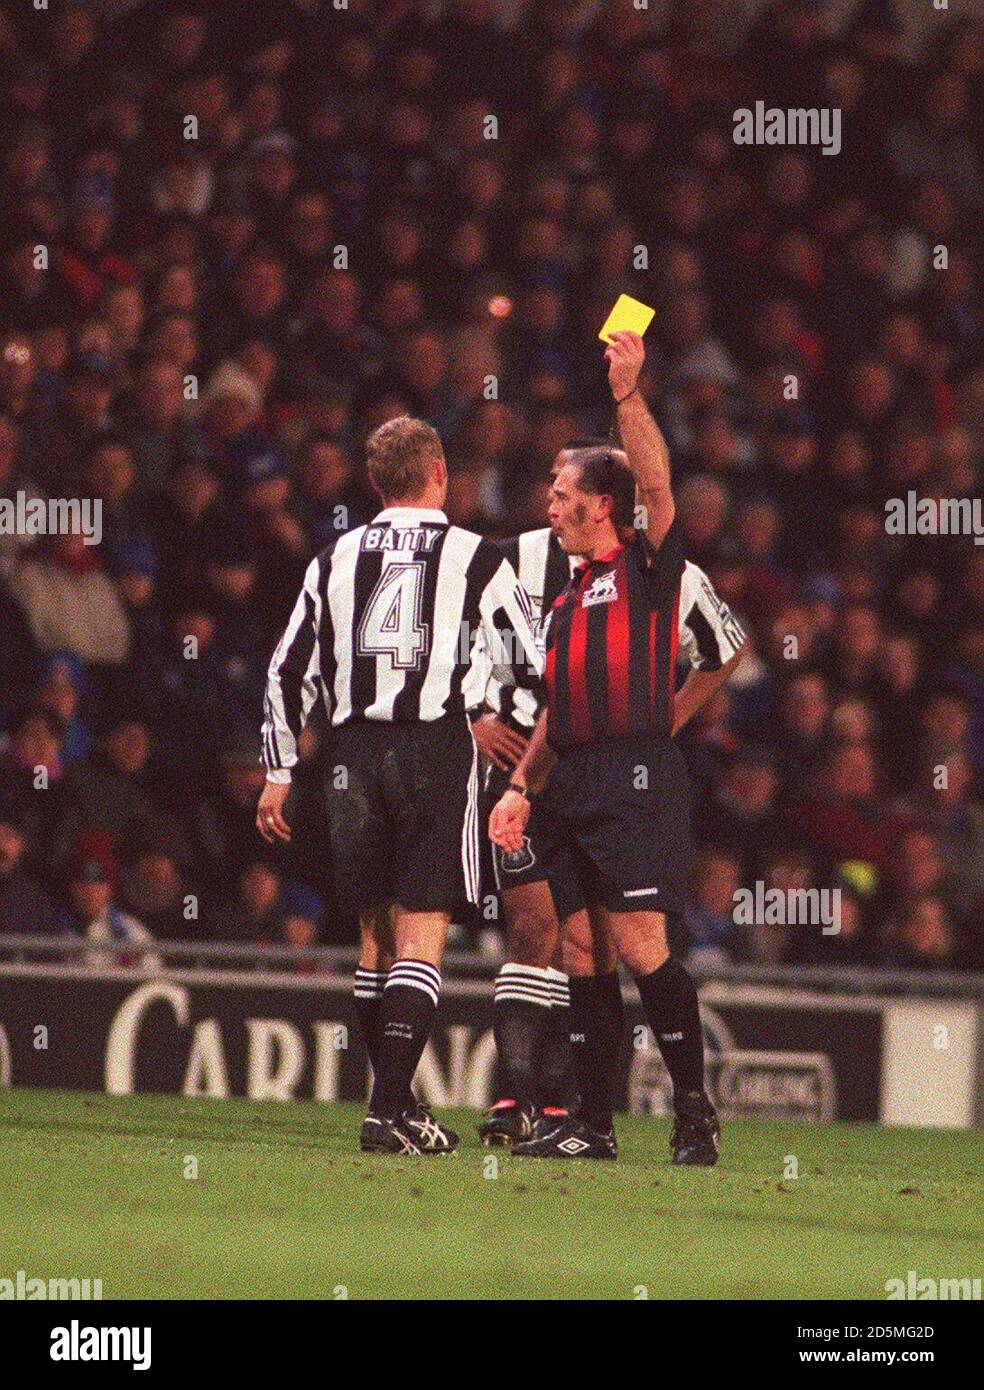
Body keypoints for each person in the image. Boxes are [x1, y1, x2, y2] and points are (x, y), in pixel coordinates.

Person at [490, 331, 745, 1166]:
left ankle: (694, 1113)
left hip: (637, 779)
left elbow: (660, 484)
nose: (550, 502)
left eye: (563, 491)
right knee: (581, 950)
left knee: (641, 945)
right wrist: (520, 788)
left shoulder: (648, 568)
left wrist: (629, 394)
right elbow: (558, 720)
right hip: (573, 782)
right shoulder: (564, 603)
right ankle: (591, 1126)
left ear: (603, 503)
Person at [258, 414, 544, 1155]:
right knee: (423, 933)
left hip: (352, 753)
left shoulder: (333, 556)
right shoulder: (475, 557)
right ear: (440, 472)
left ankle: (399, 1108)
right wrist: (492, 719)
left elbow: (288, 671)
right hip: (433, 748)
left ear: (374, 482)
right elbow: (530, 668)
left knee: (374, 938)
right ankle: (386, 1114)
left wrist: (278, 770)